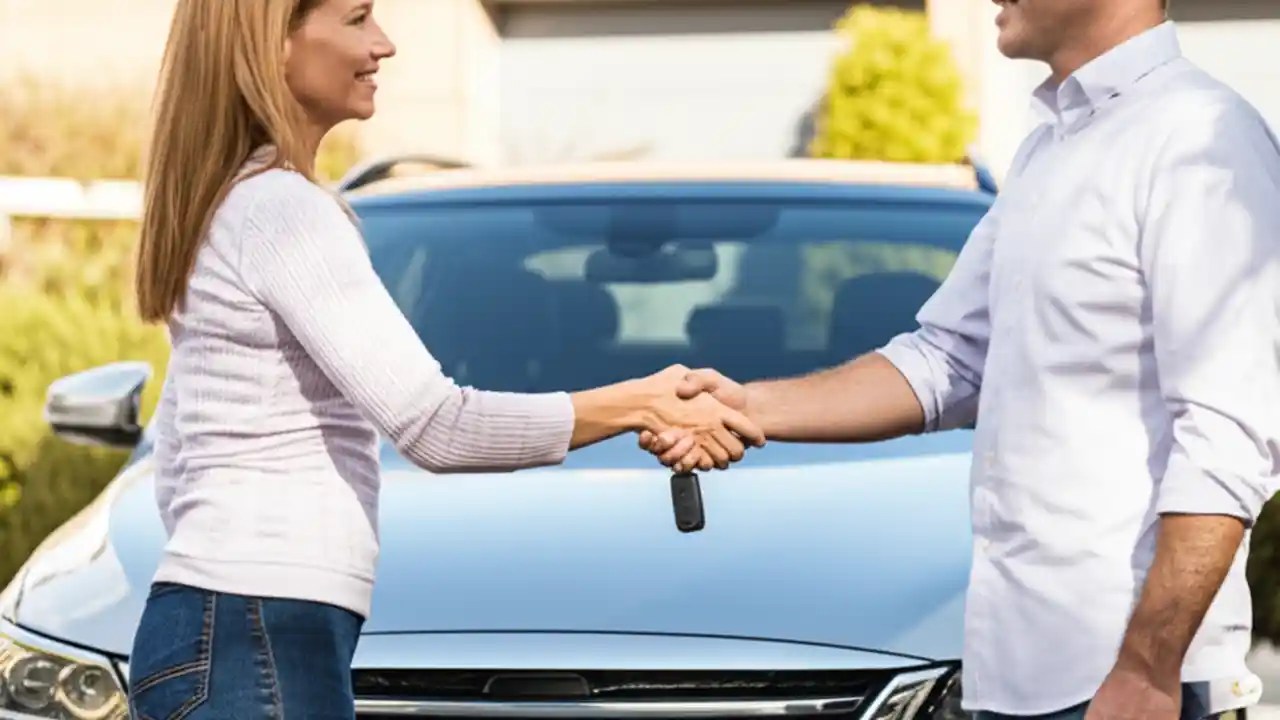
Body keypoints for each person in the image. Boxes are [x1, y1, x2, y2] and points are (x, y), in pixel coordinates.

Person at [124, 0, 764, 717]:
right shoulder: (284, 212)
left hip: (221, 629)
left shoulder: (230, 205)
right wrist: (639, 402)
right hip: (260, 634)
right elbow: (436, 426)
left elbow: (178, 466)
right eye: (358, 18)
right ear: (273, 43)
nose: (385, 44)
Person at [644, 0, 1280, 718]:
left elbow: (1230, 432)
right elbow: (949, 359)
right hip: (1019, 678)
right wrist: (745, 408)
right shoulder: (1054, 147)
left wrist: (1147, 669)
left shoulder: (1201, 138)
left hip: (1131, 687)